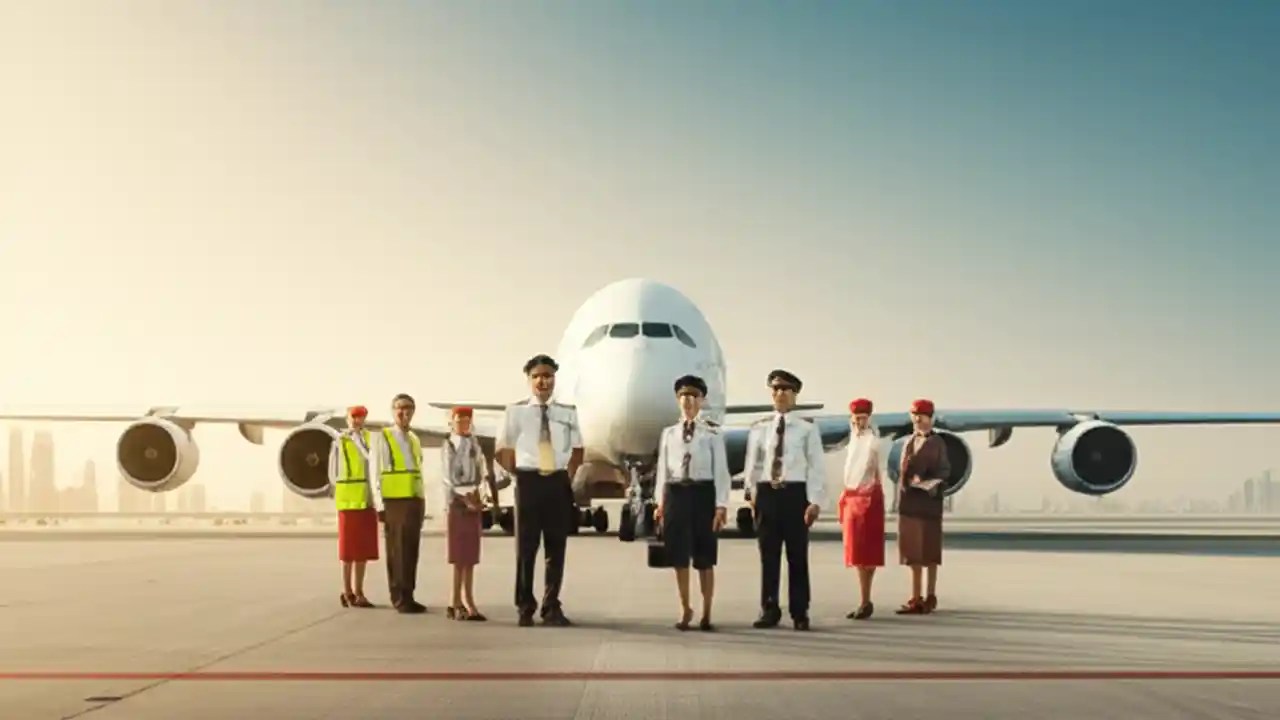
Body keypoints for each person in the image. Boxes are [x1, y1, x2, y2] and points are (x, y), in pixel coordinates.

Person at [494, 354, 583, 627]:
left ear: (554, 379)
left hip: (556, 481)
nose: (542, 381)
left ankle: (551, 606)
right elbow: (502, 450)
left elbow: (578, 450)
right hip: (528, 481)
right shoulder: (516, 411)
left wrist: (564, 477)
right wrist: (519, 473)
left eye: (547, 376)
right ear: (529, 380)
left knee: (556, 548)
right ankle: (524, 606)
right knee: (526, 548)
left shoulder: (568, 412)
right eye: (537, 376)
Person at [742, 369, 826, 631]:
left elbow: (816, 467)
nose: (780, 394)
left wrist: (814, 501)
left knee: (797, 556)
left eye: (785, 390)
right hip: (767, 494)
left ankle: (800, 611)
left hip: (795, 495)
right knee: (768, 556)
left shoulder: (807, 430)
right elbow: (753, 464)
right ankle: (769, 608)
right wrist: (750, 493)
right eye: (776, 390)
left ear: (795, 396)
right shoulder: (760, 429)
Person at [653, 374, 731, 632]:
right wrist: (659, 503)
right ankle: (685, 608)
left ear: (702, 400)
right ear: (678, 400)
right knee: (678, 556)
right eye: (684, 396)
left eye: (694, 396)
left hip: (702, 495)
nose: (688, 401)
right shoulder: (668, 434)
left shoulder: (712, 434)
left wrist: (721, 506)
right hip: (676, 494)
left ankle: (707, 611)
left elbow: (721, 472)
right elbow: (663, 470)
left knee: (705, 556)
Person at [369, 393, 427, 614]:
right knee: (397, 551)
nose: (404, 413)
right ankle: (399, 597)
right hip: (394, 502)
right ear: (393, 411)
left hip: (414, 500)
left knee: (411, 550)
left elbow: (417, 470)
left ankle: (409, 594)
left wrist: (422, 499)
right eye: (400, 409)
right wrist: (379, 505)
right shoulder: (383, 437)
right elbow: (374, 471)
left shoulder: (413, 438)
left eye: (408, 408)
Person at [895, 398, 950, 615]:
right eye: (915, 416)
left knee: (929, 552)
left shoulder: (938, 443)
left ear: (931, 418)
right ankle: (916, 596)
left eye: (922, 416)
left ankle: (930, 595)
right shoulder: (908, 442)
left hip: (928, 504)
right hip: (909, 505)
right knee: (913, 554)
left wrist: (931, 484)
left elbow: (945, 471)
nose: (918, 420)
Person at [440, 406, 489, 621]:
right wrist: (465, 497)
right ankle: (454, 601)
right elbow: (448, 477)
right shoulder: (448, 445)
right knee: (458, 557)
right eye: (459, 420)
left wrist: (481, 496)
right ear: (451, 422)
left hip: (472, 501)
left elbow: (482, 471)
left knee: (470, 557)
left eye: (467, 420)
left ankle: (468, 599)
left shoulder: (474, 443)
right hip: (457, 503)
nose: (463, 424)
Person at [838, 398, 884, 620]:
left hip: (867, 499)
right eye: (857, 419)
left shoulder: (872, 442)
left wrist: (873, 497)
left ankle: (866, 600)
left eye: (863, 419)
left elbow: (876, 472)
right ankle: (864, 599)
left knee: (866, 553)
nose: (859, 422)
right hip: (852, 499)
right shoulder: (853, 441)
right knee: (856, 552)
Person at [329, 405, 378, 608]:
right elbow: (332, 471)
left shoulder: (369, 439)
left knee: (363, 551)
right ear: (347, 419)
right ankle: (346, 590)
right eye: (354, 417)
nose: (357, 421)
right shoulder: (339, 441)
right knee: (348, 552)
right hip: (348, 502)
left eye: (361, 417)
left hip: (366, 500)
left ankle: (359, 591)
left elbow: (372, 462)